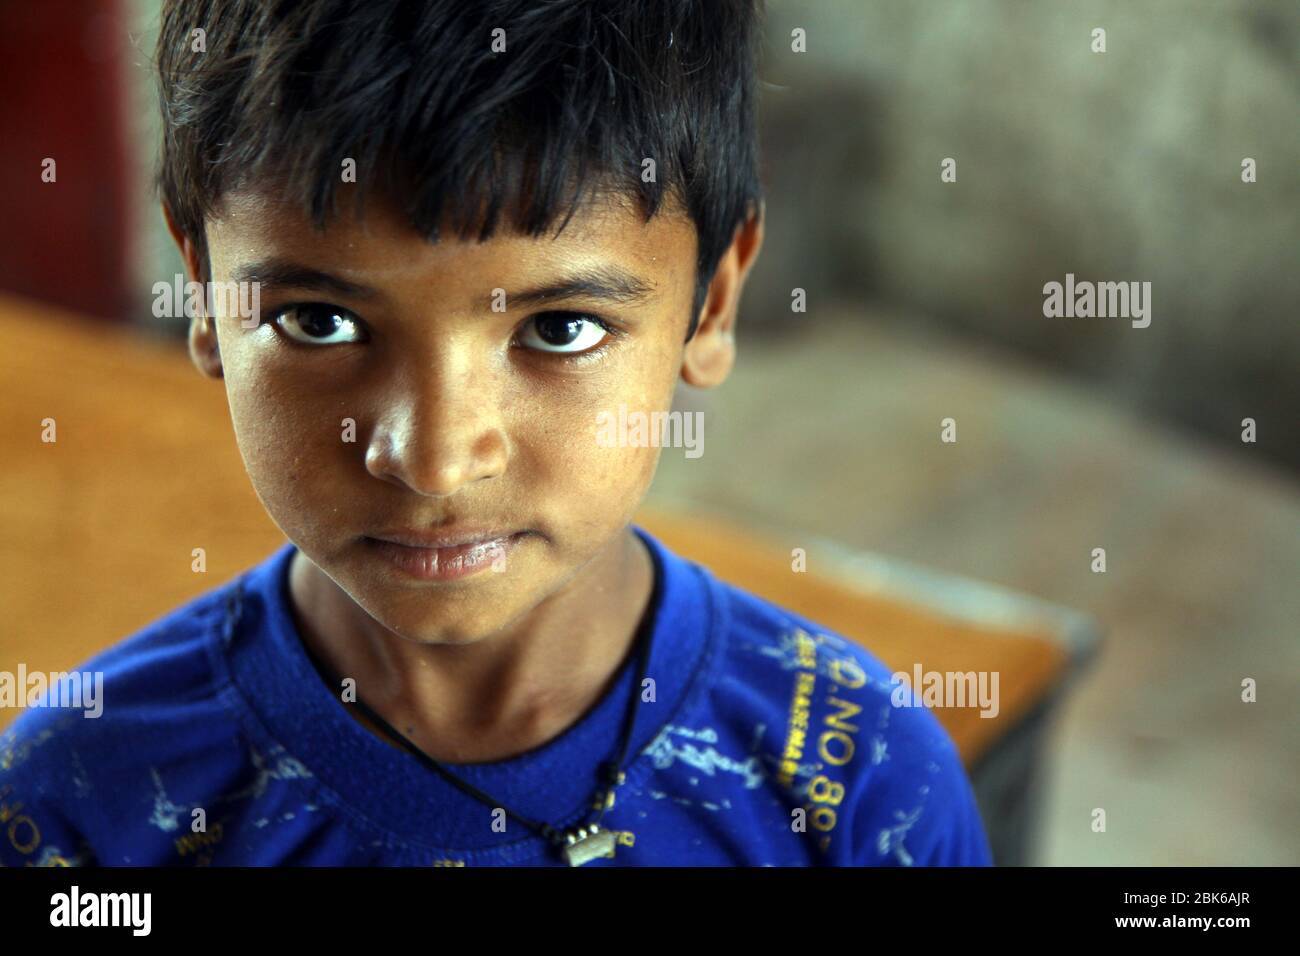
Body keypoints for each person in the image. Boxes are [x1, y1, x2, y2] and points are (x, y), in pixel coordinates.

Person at [0, 0, 992, 867]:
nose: (432, 458)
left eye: (558, 329)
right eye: (318, 320)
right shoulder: (80, 802)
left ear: (714, 299)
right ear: (206, 297)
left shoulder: (858, 778)